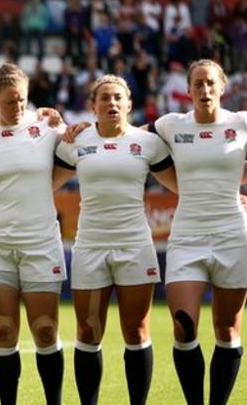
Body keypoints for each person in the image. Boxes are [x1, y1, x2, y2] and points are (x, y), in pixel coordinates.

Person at [52, 75, 177, 405]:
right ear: (92, 106)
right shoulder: (74, 141)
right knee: (88, 332)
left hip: (135, 245)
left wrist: (229, 195)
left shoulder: (149, 143)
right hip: (90, 246)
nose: (111, 103)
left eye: (118, 98)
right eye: (104, 98)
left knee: (136, 331)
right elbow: (44, 181)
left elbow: (181, 184)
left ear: (129, 105)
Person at [0, 63, 65, 405]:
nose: (18, 107)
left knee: (46, 331)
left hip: (40, 243)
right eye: (10, 101)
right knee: (4, 330)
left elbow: (77, 158)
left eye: (22, 100)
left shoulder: (47, 127)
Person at [148, 59, 247, 405]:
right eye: (198, 84)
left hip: (234, 235)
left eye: (210, 83)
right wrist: (75, 129)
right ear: (188, 90)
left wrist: (239, 188)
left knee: (226, 329)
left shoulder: (242, 123)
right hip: (187, 235)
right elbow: (132, 144)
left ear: (222, 87)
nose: (204, 90)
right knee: (183, 326)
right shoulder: (170, 125)